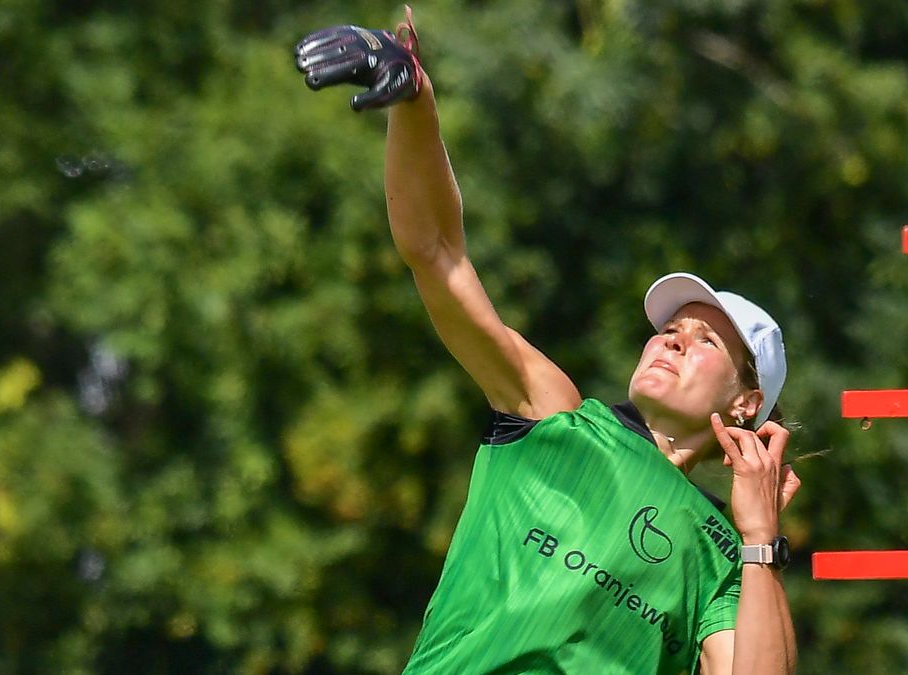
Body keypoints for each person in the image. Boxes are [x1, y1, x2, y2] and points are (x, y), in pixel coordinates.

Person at [295, 10, 801, 674]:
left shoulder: (721, 555)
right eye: (669, 329)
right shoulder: (555, 416)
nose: (671, 342)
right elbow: (437, 252)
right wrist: (416, 99)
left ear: (746, 402)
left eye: (705, 340)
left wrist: (759, 538)